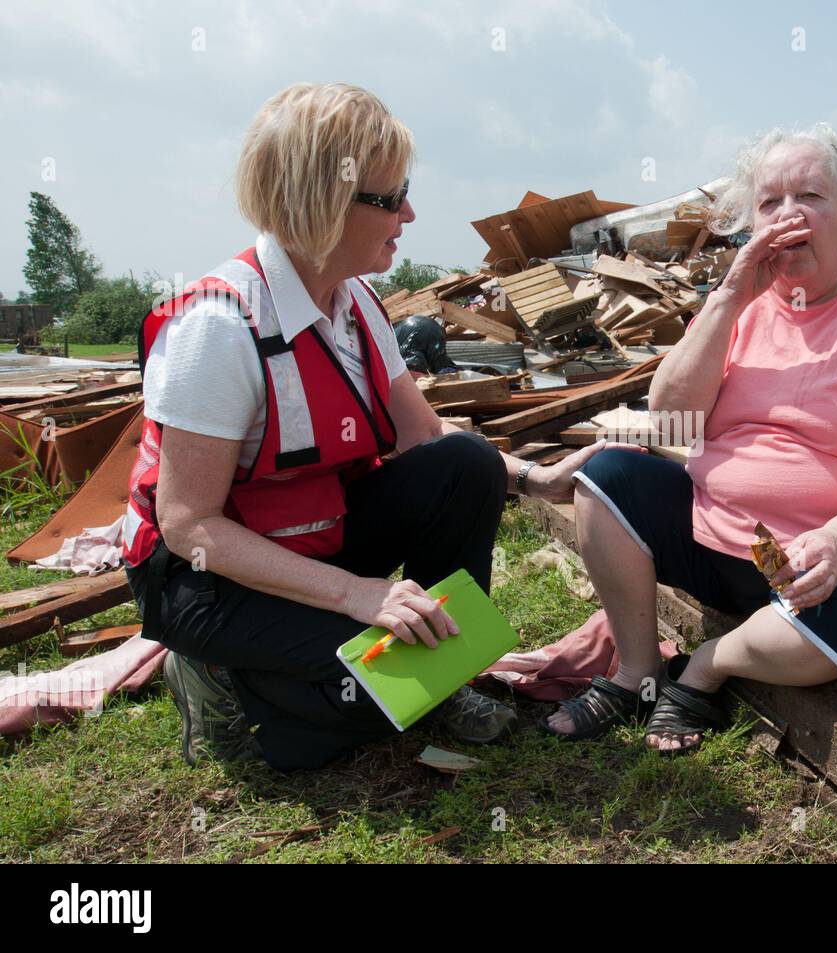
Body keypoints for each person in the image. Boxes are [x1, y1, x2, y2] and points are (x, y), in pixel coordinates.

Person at [123, 83, 616, 771]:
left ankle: (438, 673)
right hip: (209, 581)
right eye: (389, 199)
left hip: (308, 535)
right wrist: (357, 595)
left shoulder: (354, 304)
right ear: (320, 203)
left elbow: (426, 441)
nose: (410, 213)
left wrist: (538, 479)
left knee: (467, 464)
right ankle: (218, 680)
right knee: (358, 713)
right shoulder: (218, 329)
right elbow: (187, 526)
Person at [543, 124, 837, 753]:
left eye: (809, 197)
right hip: (726, 548)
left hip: (835, 559)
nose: (787, 217)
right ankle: (637, 674)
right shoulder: (738, 306)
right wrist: (731, 296)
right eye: (770, 202)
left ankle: (709, 664)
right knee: (607, 480)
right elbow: (671, 420)